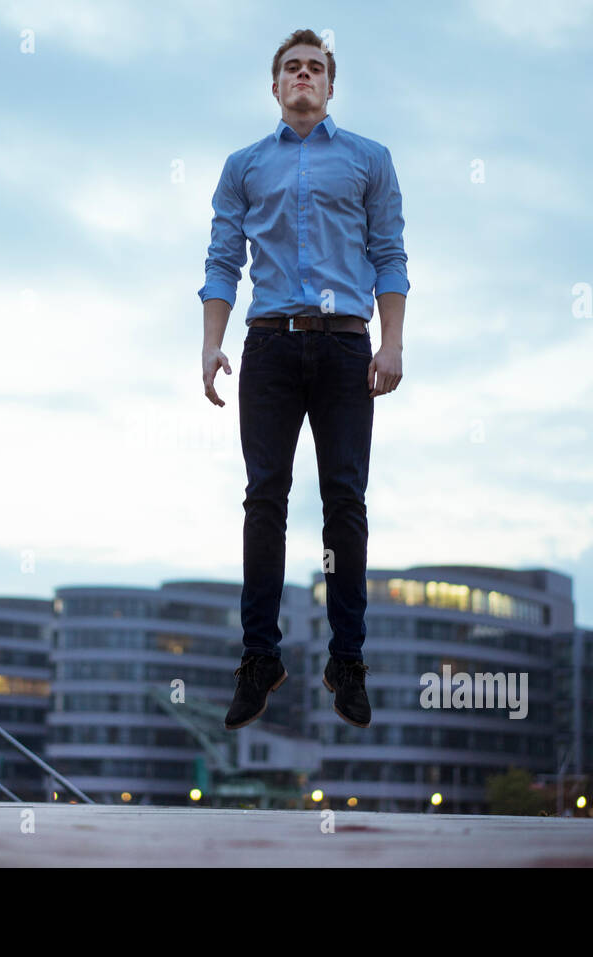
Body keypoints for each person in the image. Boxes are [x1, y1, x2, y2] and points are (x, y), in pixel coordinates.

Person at [198, 28, 409, 732]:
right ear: (275, 84)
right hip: (270, 347)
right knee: (264, 499)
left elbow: (390, 255)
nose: (303, 76)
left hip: (348, 348)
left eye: (315, 67)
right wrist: (211, 345)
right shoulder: (244, 166)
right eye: (291, 67)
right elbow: (222, 260)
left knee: (345, 501)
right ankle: (260, 657)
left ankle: (347, 660)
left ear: (330, 84)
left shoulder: (369, 160)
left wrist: (394, 343)